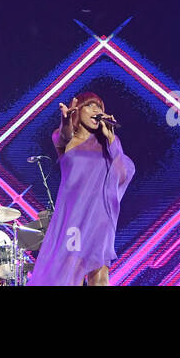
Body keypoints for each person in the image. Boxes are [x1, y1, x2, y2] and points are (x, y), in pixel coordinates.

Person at [28, 92, 134, 286]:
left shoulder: (109, 143)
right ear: (78, 111)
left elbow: (122, 176)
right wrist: (66, 120)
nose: (97, 111)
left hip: (101, 217)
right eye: (91, 106)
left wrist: (111, 139)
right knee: (71, 268)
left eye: (100, 107)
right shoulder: (68, 140)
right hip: (74, 218)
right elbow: (63, 136)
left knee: (100, 272)